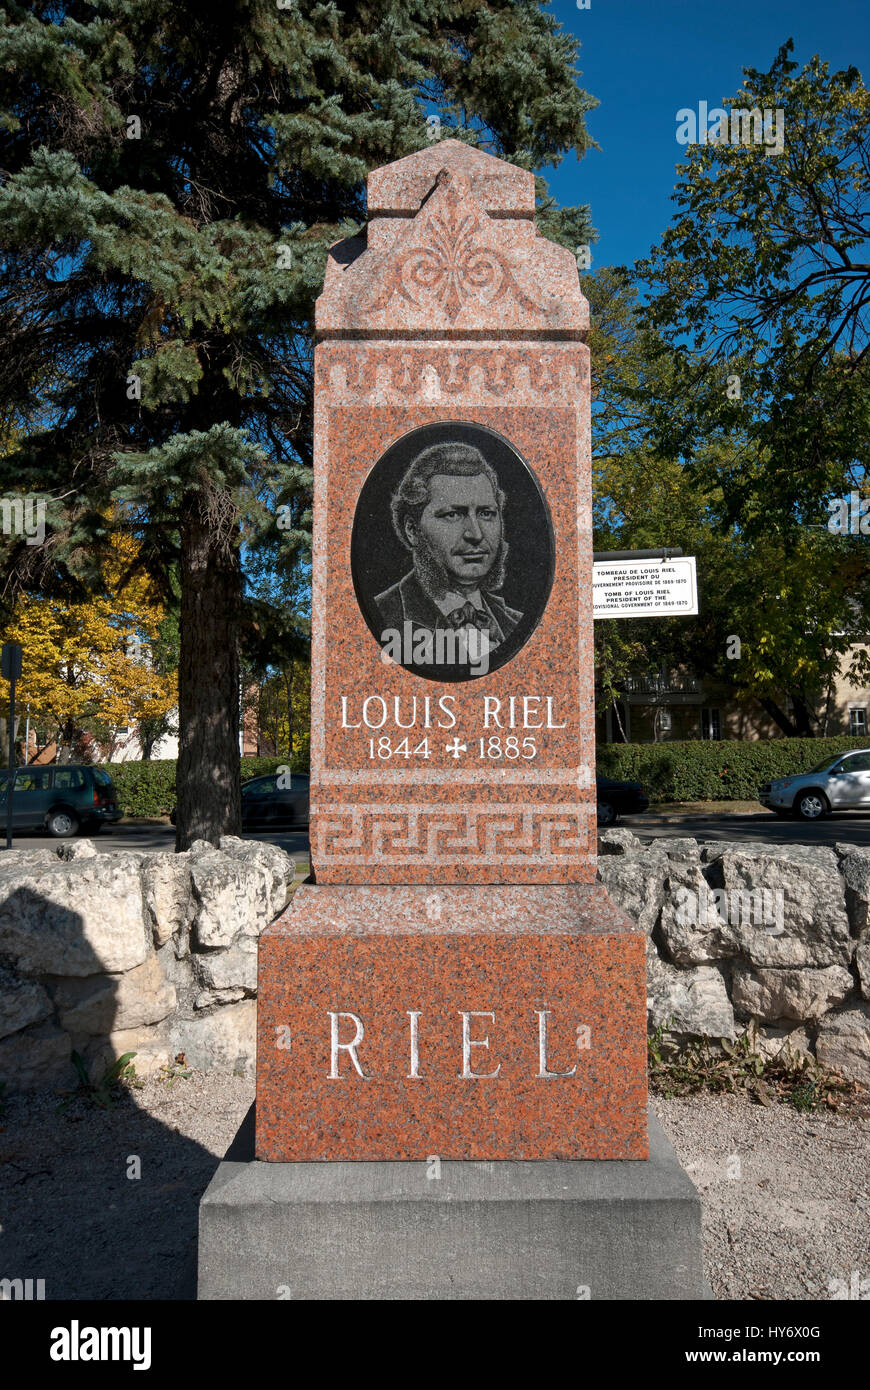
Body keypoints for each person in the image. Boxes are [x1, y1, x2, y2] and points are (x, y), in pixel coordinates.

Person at [374, 440, 522, 666]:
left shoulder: (514, 623)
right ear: (412, 530)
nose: (475, 534)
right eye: (453, 515)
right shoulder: (384, 615)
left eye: (486, 513)